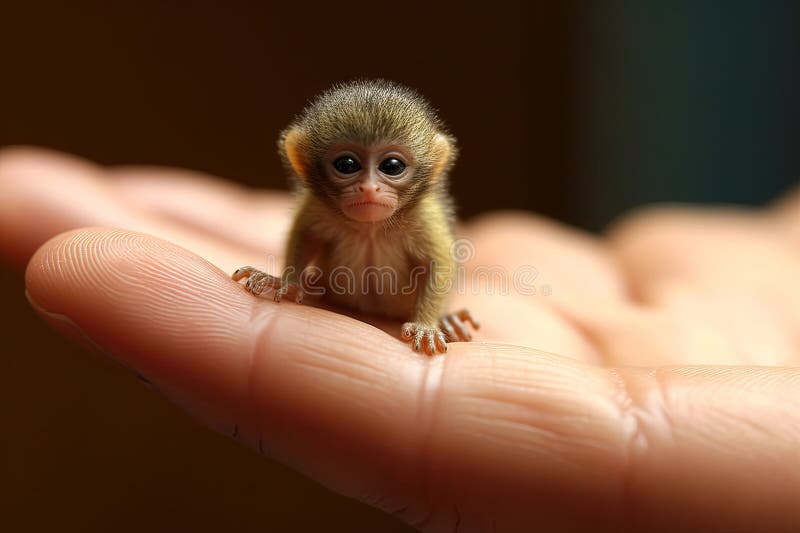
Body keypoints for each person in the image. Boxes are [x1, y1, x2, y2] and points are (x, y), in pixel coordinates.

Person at [1, 146, 799, 532]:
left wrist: (425, 317)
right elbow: (304, 249)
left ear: (433, 166)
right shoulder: (317, 217)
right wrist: (290, 286)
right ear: (307, 165)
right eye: (348, 168)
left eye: (392, 169)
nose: (372, 191)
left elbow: (441, 265)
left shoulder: (424, 225)